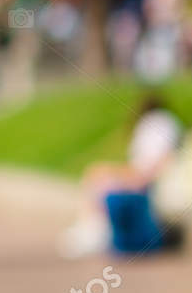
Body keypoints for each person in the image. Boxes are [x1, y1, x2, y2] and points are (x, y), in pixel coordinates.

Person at [58, 92, 182, 259]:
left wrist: (130, 177)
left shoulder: (159, 125)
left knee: (97, 175)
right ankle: (92, 228)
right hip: (142, 175)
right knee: (97, 174)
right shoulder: (163, 124)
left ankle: (93, 229)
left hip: (143, 178)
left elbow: (152, 167)